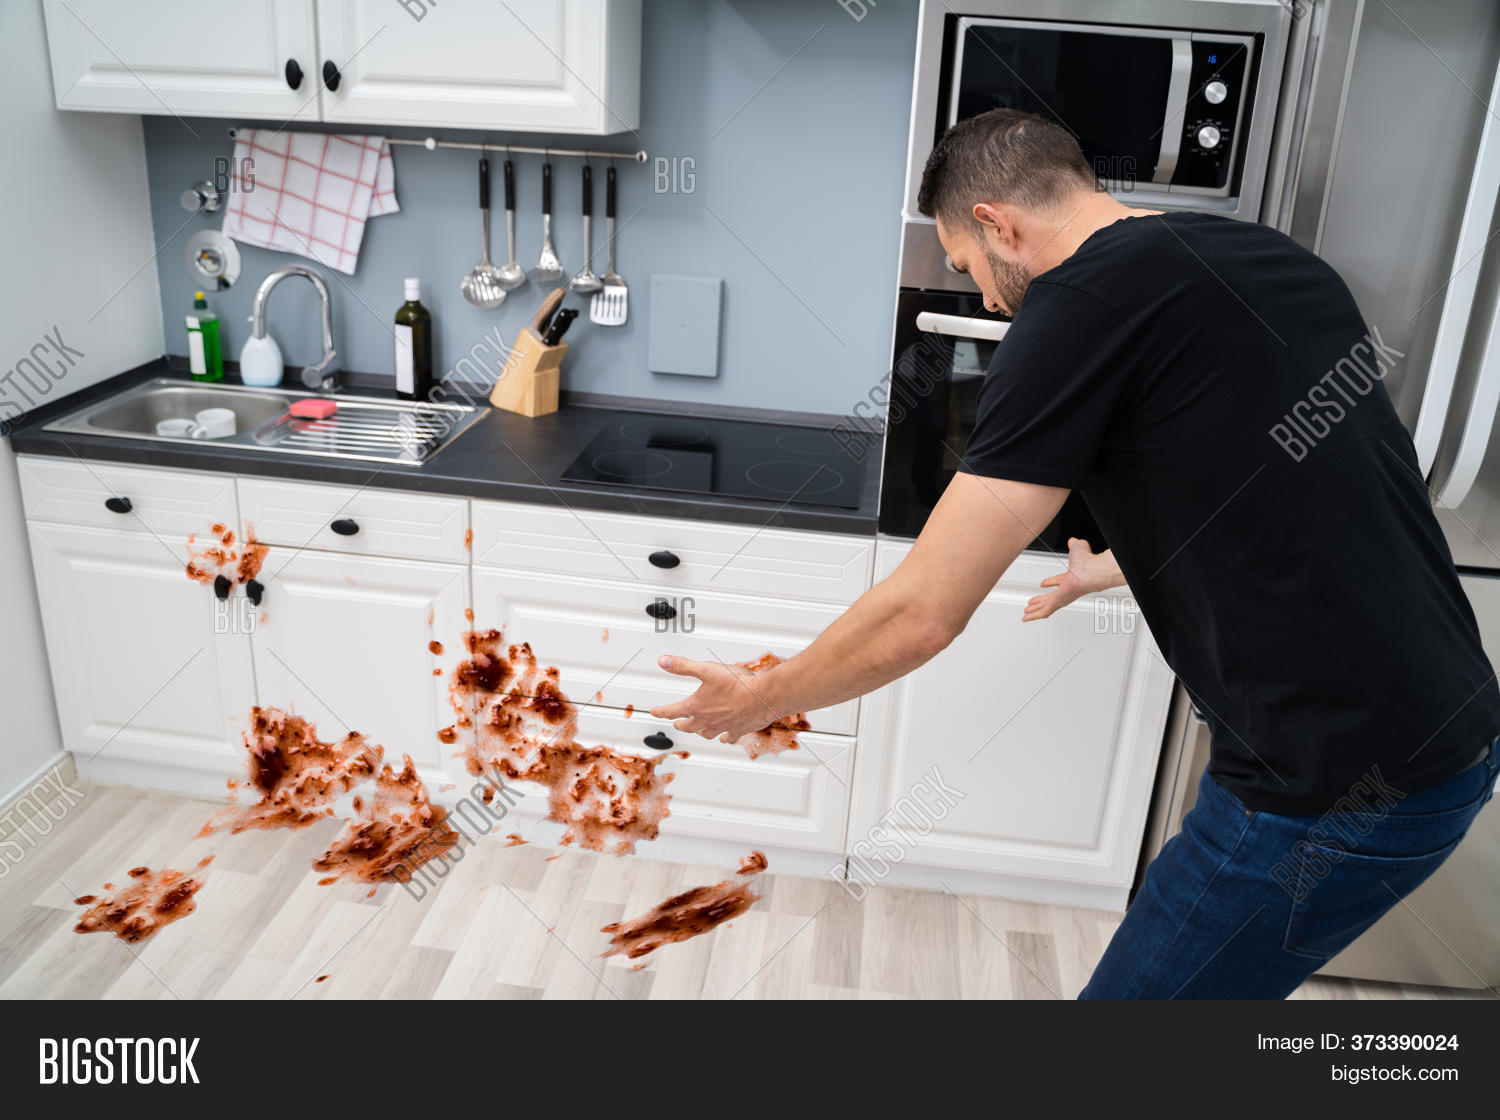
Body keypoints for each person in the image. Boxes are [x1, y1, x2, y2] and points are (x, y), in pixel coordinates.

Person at [650, 108, 1500, 998]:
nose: (981, 296)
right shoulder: (1267, 258)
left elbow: (923, 615)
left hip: (1327, 792)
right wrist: (1133, 559)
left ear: (996, 222)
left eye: (968, 265)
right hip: (1448, 733)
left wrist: (765, 697)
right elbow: (1312, 487)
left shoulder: (1074, 311)